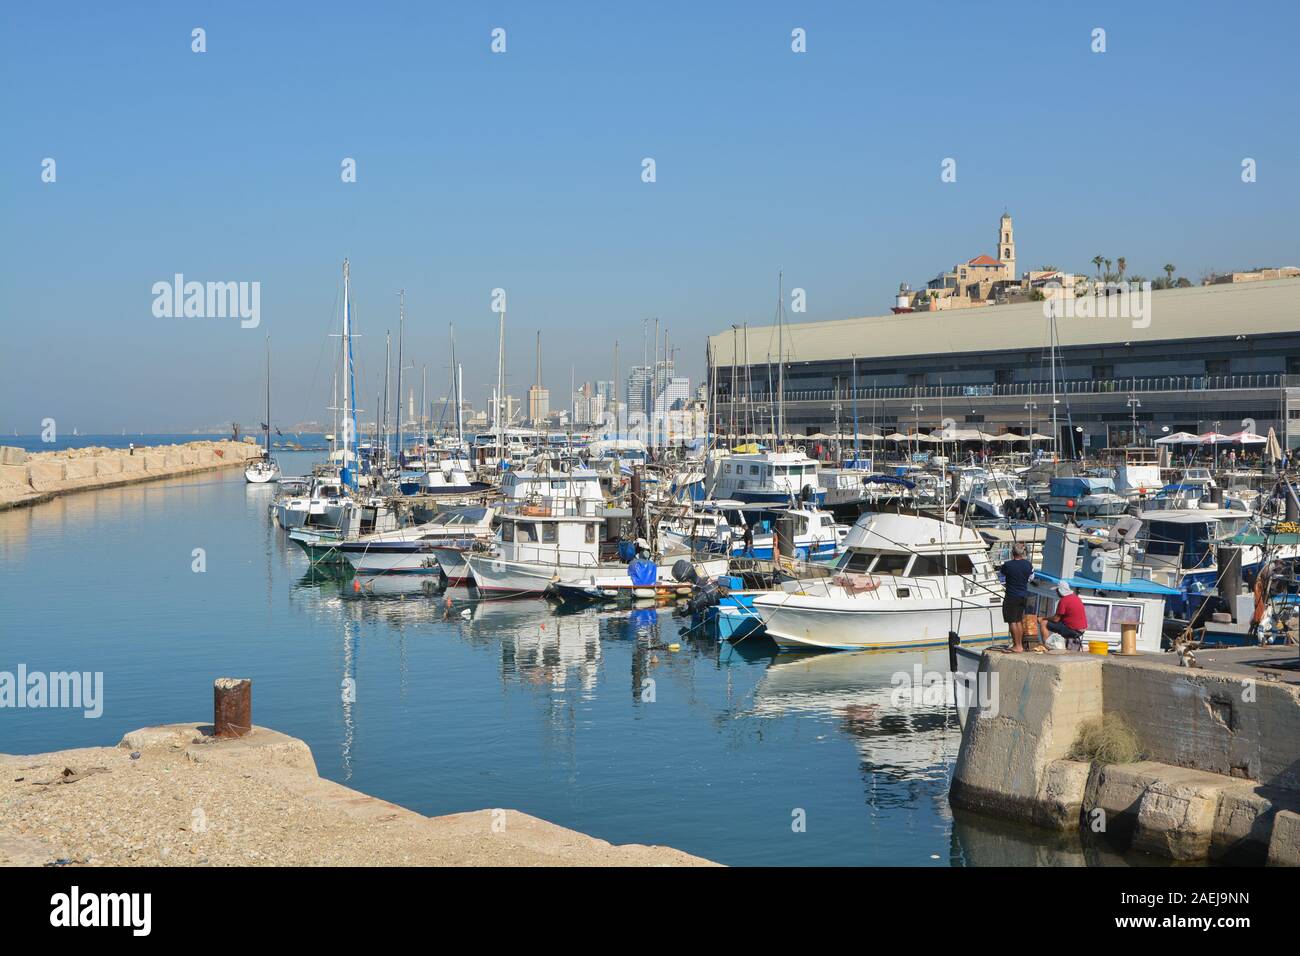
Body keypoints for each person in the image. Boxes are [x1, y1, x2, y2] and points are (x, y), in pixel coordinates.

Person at [997, 542, 1035, 652]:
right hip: (1023, 596)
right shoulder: (1028, 565)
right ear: (1023, 553)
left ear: (1013, 552)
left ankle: (1017, 646)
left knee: (1012, 621)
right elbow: (1031, 578)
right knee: (1018, 621)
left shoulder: (1007, 565)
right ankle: (1020, 646)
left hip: (1011, 596)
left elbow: (1001, 577)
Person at [1039, 583, 1087, 651]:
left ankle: (1047, 647)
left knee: (1044, 623)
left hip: (1073, 630)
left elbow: (1056, 619)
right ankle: (1057, 644)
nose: (1056, 593)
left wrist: (1043, 618)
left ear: (1060, 591)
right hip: (1081, 630)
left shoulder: (1064, 600)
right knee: (1059, 624)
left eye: (1057, 591)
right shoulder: (1076, 597)